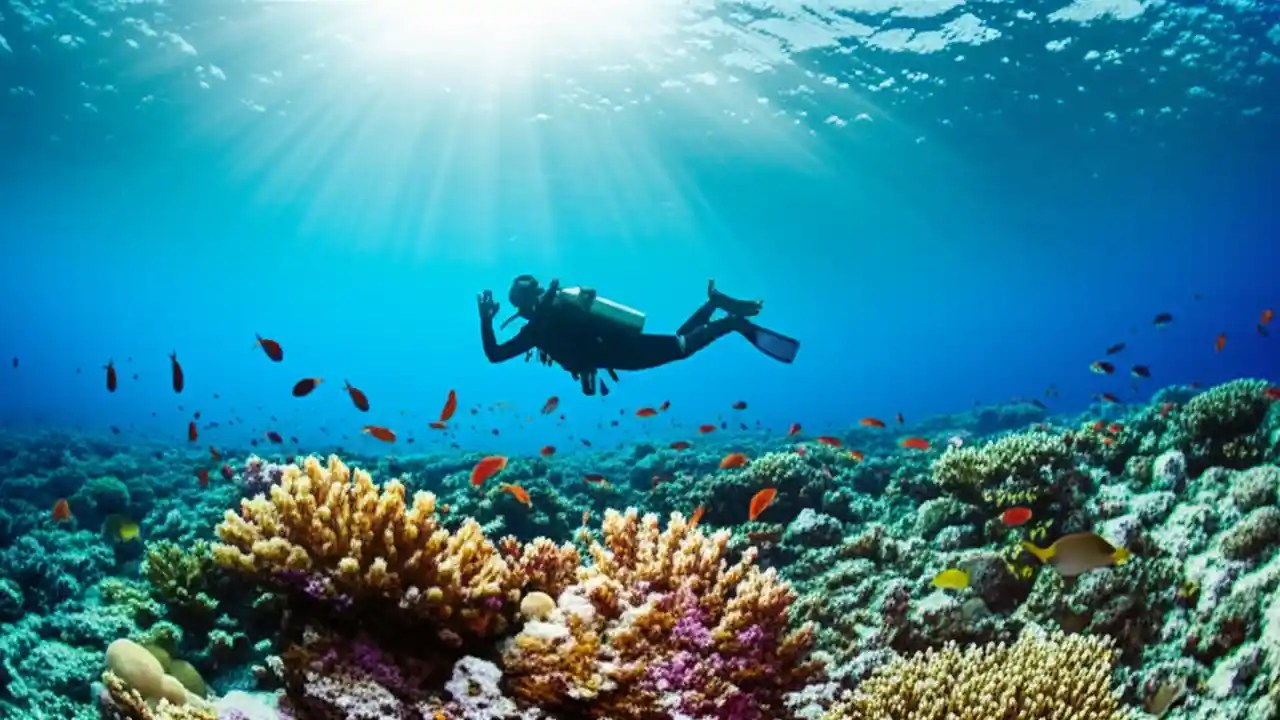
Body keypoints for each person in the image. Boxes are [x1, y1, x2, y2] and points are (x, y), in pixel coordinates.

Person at [478, 275, 799, 395]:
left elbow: (495, 355)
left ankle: (730, 322)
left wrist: (486, 321)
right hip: (621, 348)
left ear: (520, 306)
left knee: (682, 346)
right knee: (679, 342)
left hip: (623, 352)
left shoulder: (536, 329)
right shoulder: (559, 309)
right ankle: (713, 305)